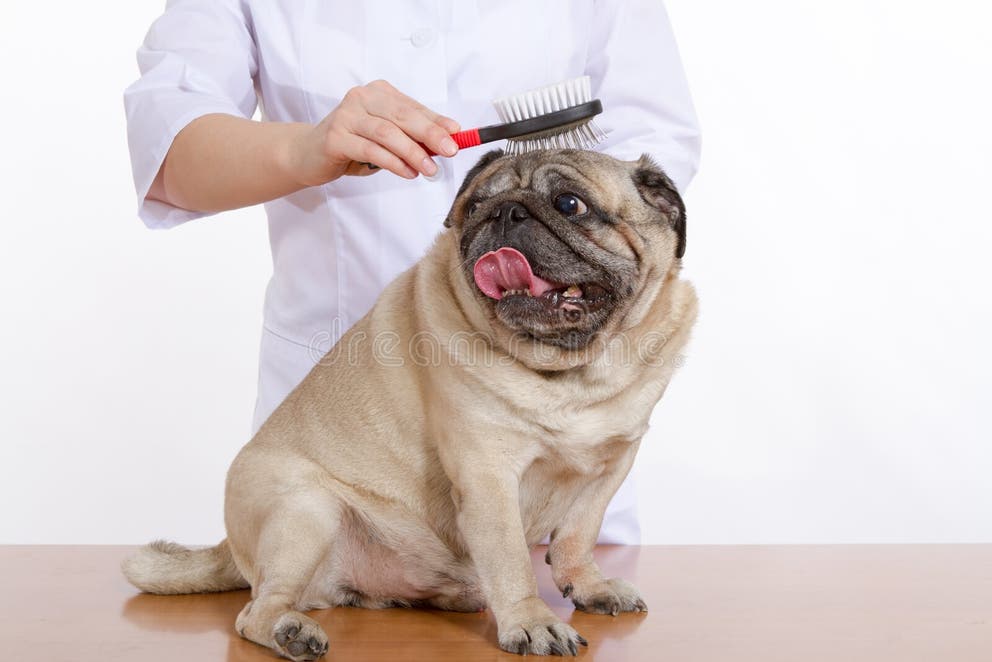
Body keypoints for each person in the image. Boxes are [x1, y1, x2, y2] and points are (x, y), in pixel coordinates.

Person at [124, 0, 701, 545]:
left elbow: (654, 154)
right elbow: (168, 150)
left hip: (562, 454)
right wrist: (304, 148)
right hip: (347, 461)